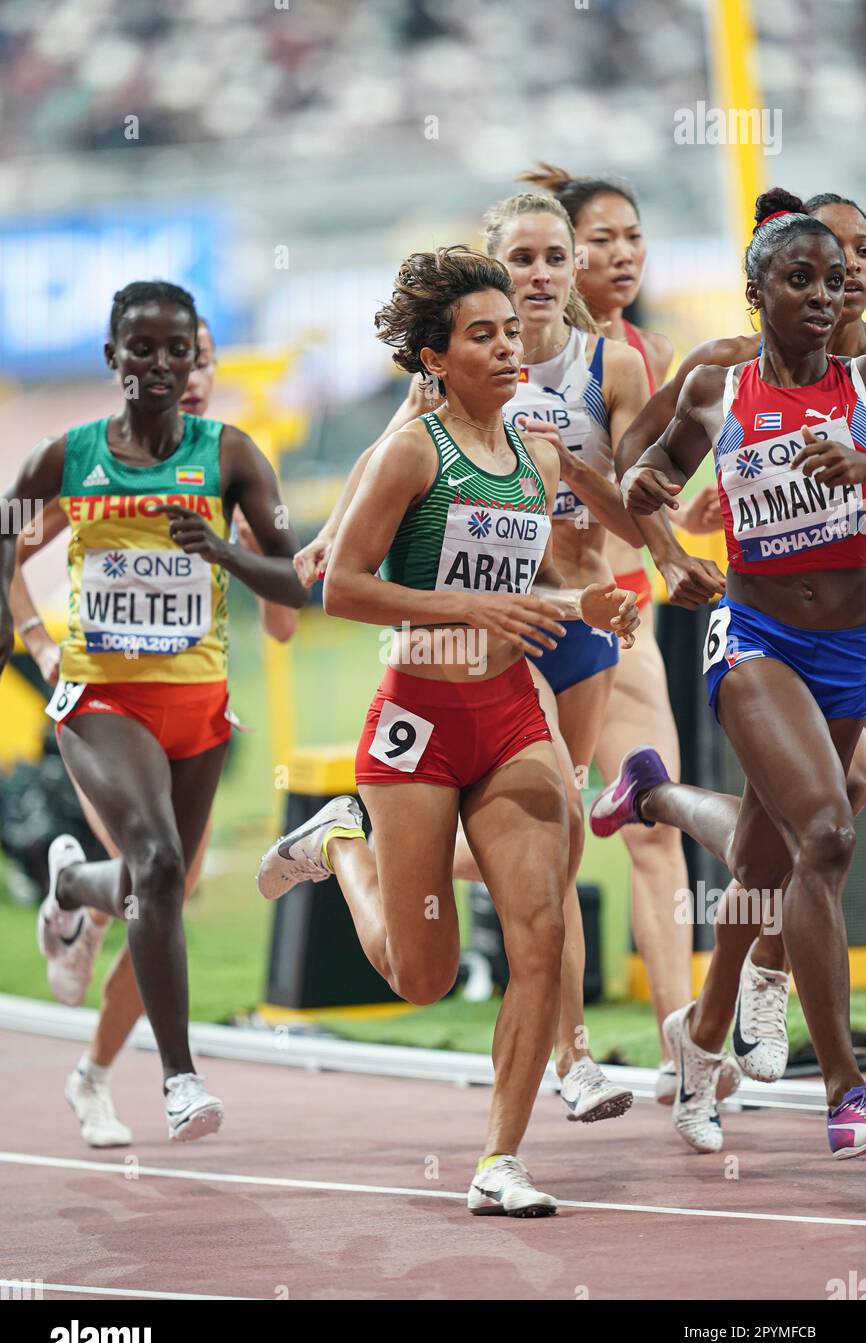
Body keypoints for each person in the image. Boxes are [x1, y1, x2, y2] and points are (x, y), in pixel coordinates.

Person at [259, 246, 639, 1215]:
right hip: (416, 724)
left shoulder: (538, 456)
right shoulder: (410, 453)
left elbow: (524, 582)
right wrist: (462, 609)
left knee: (539, 926)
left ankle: (499, 1159)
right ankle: (339, 845)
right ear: (435, 357)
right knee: (420, 977)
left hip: (509, 716)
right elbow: (344, 588)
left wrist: (584, 603)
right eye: (482, 336)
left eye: (511, 332)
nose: (508, 348)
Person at [592, 189, 866, 1160]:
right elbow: (642, 473)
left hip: (851, 649)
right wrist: (663, 534)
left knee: (761, 864)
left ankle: (699, 1036)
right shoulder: (718, 382)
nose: (823, 296)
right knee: (824, 834)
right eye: (801, 279)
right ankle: (845, 1088)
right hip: (755, 640)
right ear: (757, 292)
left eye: (834, 280)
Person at [0, 280, 307, 1142]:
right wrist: (30, 637)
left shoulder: (232, 458)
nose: (171, 367)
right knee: (160, 867)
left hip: (199, 706)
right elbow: (8, 536)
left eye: (189, 353)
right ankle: (179, 1079)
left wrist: (230, 552)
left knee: (153, 887)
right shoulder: (76, 459)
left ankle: (71, 891)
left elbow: (291, 599)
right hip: (101, 698)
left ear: (207, 366)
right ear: (114, 358)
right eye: (147, 349)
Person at [517, 167, 712, 1095]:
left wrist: (681, 536)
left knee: (653, 818)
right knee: (541, 842)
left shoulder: (641, 355)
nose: (622, 254)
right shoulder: (487, 347)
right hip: (516, 620)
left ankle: (684, 1050)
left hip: (618, 607)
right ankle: (573, 1053)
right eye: (601, 240)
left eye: (633, 236)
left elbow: (647, 495)